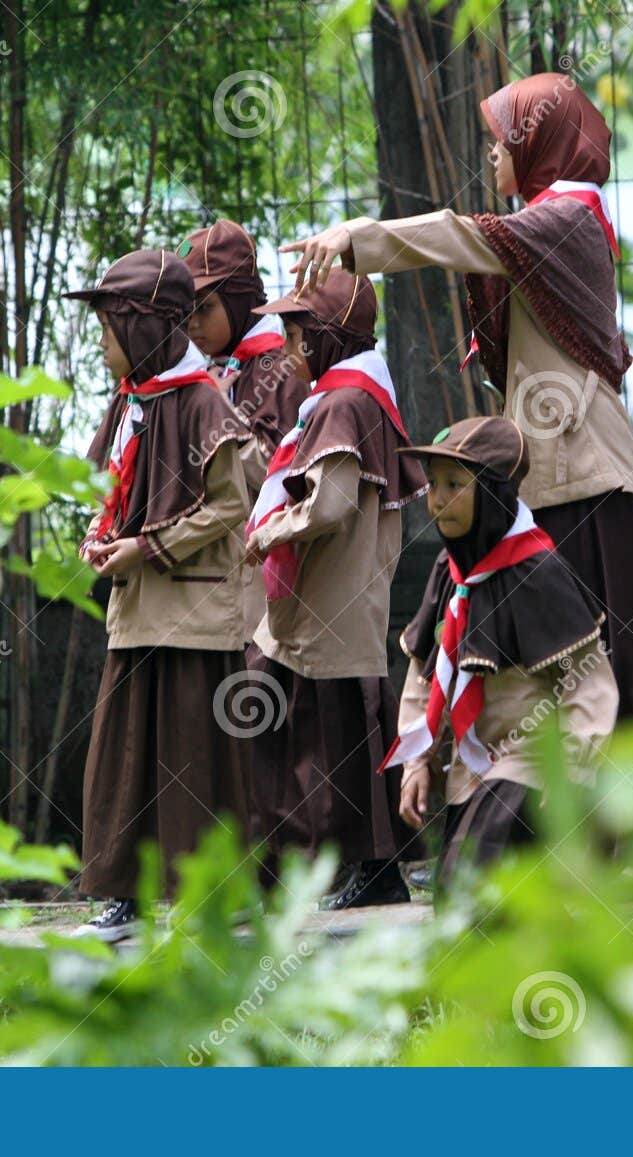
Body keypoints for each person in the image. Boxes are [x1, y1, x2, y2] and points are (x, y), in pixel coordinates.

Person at [281, 72, 633, 720]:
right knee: (567, 659)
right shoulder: (560, 219)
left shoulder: (564, 219)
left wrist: (359, 238)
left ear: (540, 142)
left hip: (579, 477)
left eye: (505, 139)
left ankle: (604, 809)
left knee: (586, 658)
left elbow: (460, 235)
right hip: (564, 468)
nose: (492, 152)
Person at [65, 250, 254, 942]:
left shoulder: (206, 400)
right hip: (136, 612)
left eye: (109, 327)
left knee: (196, 755)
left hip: (196, 614)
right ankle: (124, 893)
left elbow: (233, 503)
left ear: (143, 327)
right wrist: (99, 534)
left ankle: (214, 893)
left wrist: (146, 548)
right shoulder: (128, 401)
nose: (102, 342)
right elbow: (111, 488)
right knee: (124, 754)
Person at [242, 268, 427, 909]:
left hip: (333, 600)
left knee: (338, 739)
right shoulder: (343, 397)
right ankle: (349, 867)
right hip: (329, 598)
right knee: (329, 733)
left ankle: (370, 869)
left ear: (327, 338)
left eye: (297, 335)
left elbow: (332, 504)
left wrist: (269, 534)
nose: (288, 350)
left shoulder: (345, 403)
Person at [384, 418, 617, 886]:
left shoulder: (538, 570)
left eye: (455, 484)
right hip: (470, 770)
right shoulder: (450, 570)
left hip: (532, 760)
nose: (437, 499)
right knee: (458, 896)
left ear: (492, 493)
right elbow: (424, 673)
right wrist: (417, 762)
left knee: (476, 885)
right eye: (432, 484)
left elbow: (590, 685)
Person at [182, 219, 310, 635]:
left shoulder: (278, 364)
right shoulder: (219, 367)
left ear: (238, 300)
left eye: (205, 309)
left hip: (267, 567)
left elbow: (282, 470)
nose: (193, 326)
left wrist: (218, 416)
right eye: (186, 313)